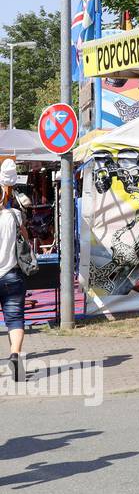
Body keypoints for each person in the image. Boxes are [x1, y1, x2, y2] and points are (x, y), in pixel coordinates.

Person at [0, 158, 31, 380]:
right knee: (15, 319)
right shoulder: (14, 215)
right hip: (11, 274)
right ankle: (14, 354)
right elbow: (26, 238)